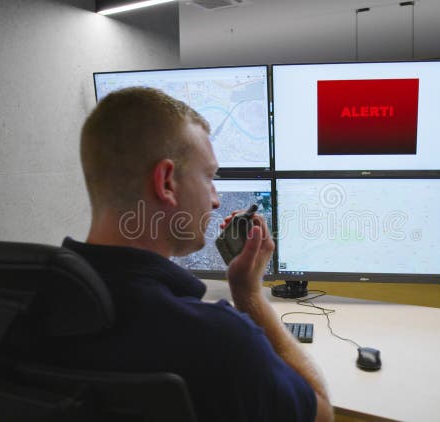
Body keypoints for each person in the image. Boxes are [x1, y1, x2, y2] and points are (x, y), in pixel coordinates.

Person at [18, 87, 332, 421]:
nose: (214, 199)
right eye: (209, 177)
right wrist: (250, 295)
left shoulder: (17, 309)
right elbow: (321, 414)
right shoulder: (221, 341)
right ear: (166, 182)